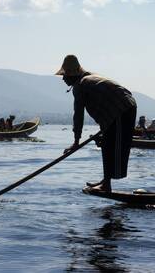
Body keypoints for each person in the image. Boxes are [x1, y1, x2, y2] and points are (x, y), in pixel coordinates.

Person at [56, 55, 137, 192]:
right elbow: (102, 105)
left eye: (65, 75)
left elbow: (78, 114)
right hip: (122, 107)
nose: (63, 78)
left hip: (122, 108)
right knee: (106, 144)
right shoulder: (88, 78)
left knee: (110, 145)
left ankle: (106, 185)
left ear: (73, 75)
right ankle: (106, 181)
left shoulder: (80, 85)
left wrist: (76, 141)